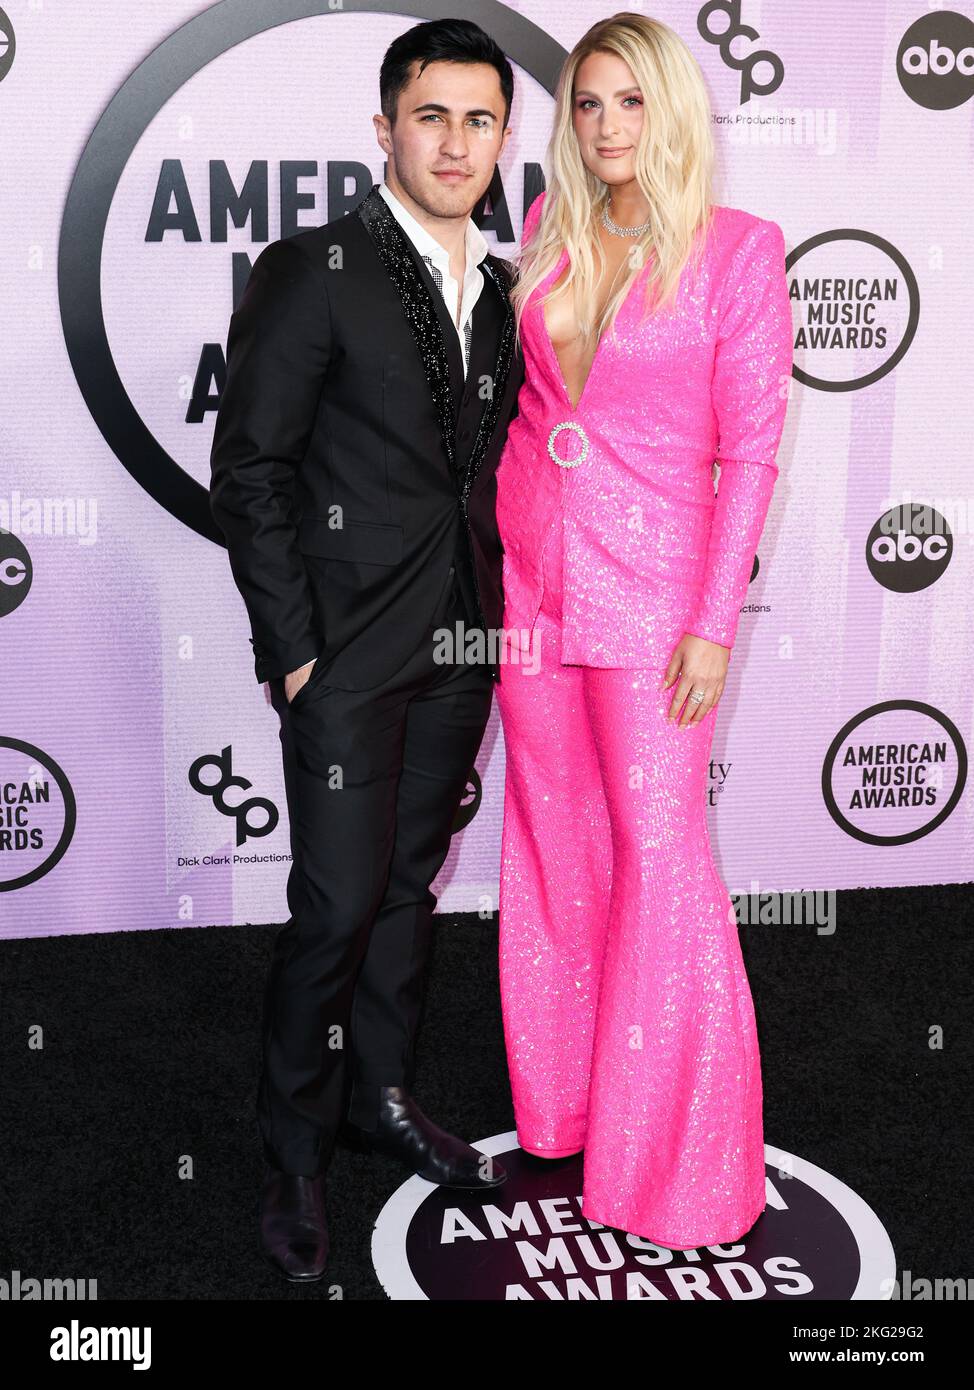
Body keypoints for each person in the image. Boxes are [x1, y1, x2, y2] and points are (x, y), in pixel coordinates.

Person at [209, 18, 524, 1282]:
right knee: (334, 904)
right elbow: (251, 473)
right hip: (341, 656)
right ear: (384, 127)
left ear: (506, 139)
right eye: (431, 116)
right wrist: (293, 654)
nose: (455, 143)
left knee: (406, 890)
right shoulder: (314, 268)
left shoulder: (503, 289)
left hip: (461, 642)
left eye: (480, 120)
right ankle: (292, 1149)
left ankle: (376, 1099)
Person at [494, 13, 793, 1250]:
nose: (606, 127)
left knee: (661, 868)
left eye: (628, 102)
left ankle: (675, 1172)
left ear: (669, 109)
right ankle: (564, 1114)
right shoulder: (545, 231)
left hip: (657, 602)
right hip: (529, 591)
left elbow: (752, 449)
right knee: (552, 854)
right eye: (585, 105)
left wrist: (712, 625)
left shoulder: (735, 251)